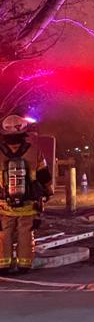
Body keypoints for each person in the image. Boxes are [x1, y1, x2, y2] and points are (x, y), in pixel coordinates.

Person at [0, 115, 51, 274]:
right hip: (28, 203)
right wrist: (47, 192)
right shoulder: (34, 151)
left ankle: (3, 264)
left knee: (4, 232)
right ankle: (24, 265)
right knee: (26, 232)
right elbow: (44, 176)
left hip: (4, 203)